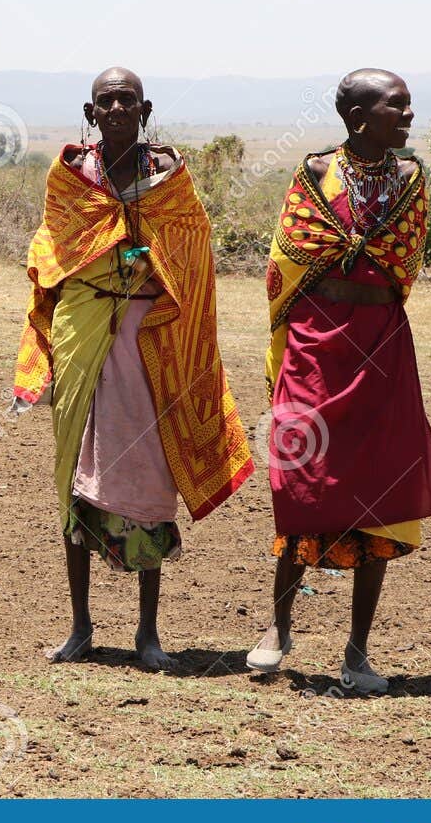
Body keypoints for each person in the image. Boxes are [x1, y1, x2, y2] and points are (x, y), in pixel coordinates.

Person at [14, 68, 254, 668]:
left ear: (145, 111)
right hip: (82, 332)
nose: (117, 107)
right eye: (107, 100)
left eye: (128, 100)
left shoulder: (169, 180)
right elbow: (50, 253)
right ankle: (80, 627)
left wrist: (146, 259)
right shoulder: (72, 176)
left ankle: (148, 633)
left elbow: (192, 260)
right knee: (73, 472)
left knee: (150, 473)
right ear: (90, 112)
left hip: (153, 339)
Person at [247, 68, 431, 694]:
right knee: (299, 479)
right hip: (314, 345)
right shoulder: (315, 174)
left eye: (410, 106)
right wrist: (287, 343)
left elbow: (402, 265)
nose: (409, 116)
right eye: (398, 106)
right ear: (358, 118)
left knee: (379, 487)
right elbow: (286, 260)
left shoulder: (411, 179)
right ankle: (279, 625)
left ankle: (357, 651)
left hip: (382, 346)